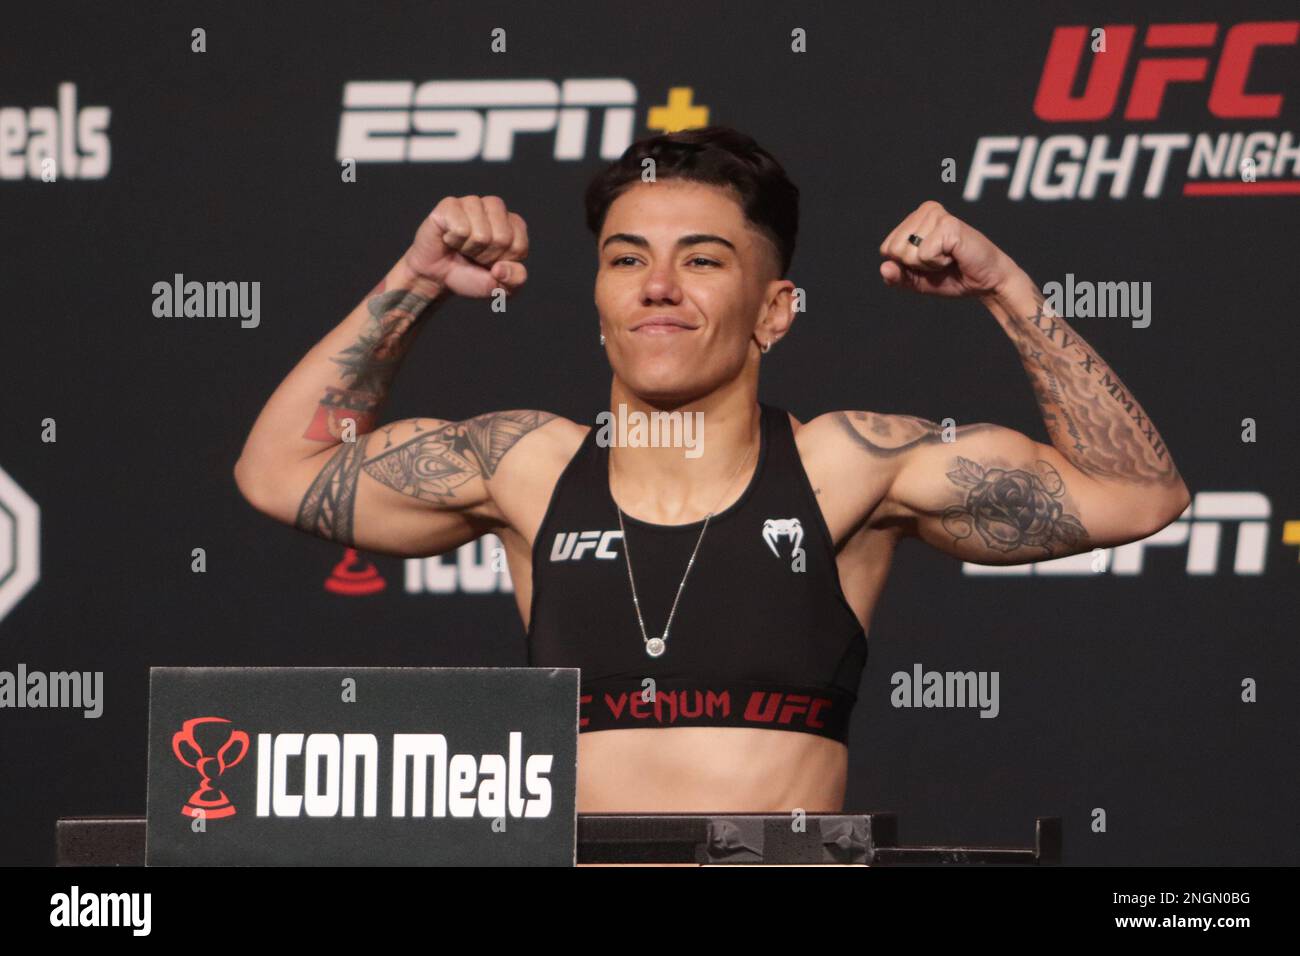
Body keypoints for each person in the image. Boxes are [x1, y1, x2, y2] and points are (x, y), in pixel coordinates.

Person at [234, 126, 1190, 813]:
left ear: (775, 311)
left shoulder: (849, 466)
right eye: (625, 260)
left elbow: (1138, 496)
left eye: (702, 260)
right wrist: (419, 280)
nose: (657, 285)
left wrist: (1004, 292)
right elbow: (281, 470)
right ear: (600, 298)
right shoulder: (523, 465)